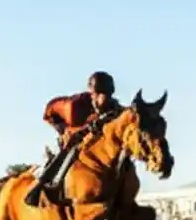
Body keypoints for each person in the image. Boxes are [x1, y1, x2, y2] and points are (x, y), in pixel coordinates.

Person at [24, 71, 122, 206]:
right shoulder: (74, 107)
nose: (103, 100)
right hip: (60, 120)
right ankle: (40, 185)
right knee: (71, 147)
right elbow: (71, 132)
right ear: (92, 93)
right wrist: (65, 132)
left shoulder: (115, 107)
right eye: (98, 94)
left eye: (107, 95)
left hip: (88, 127)